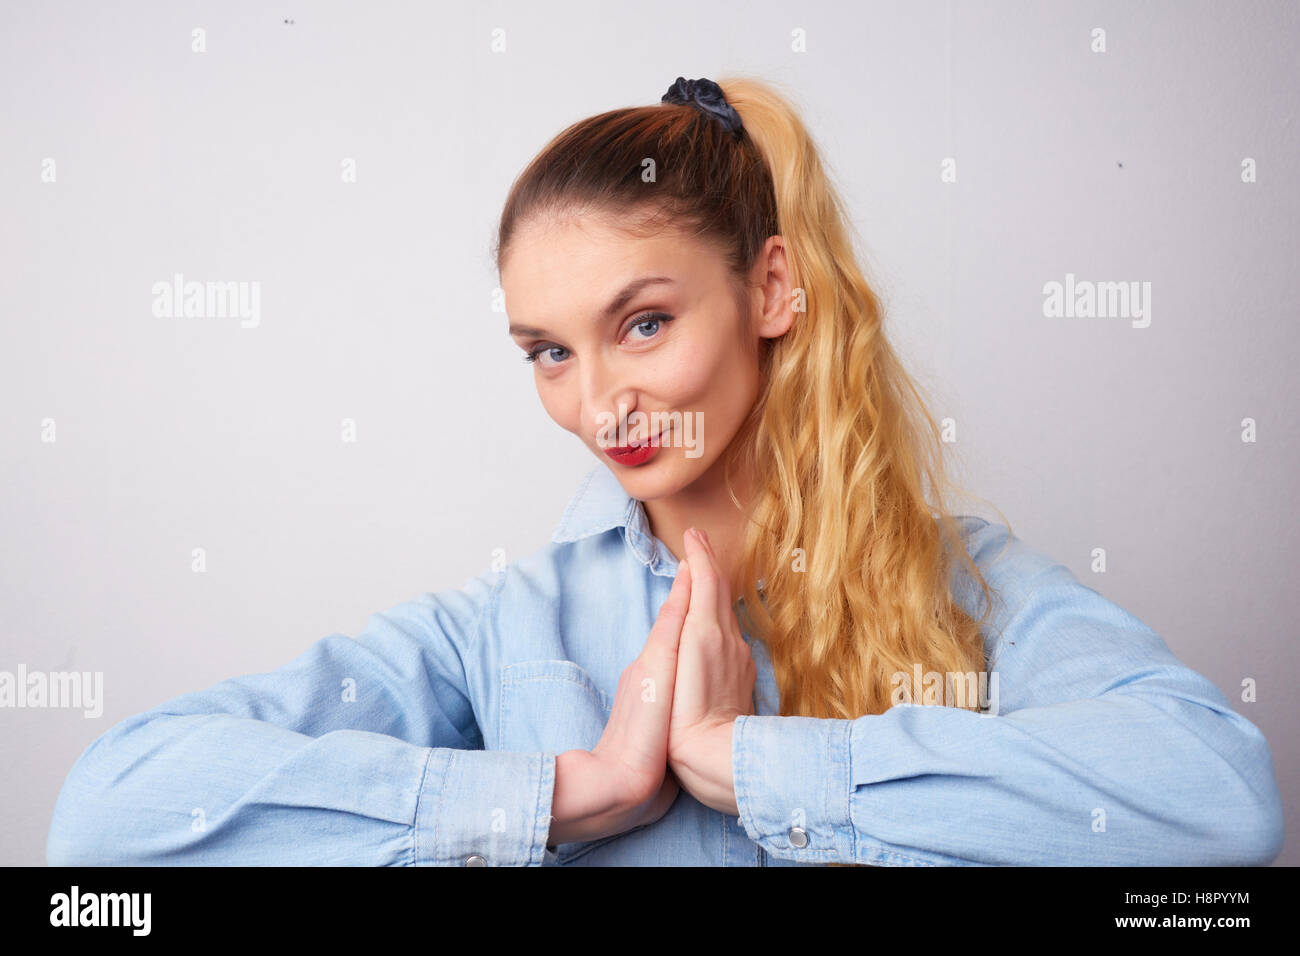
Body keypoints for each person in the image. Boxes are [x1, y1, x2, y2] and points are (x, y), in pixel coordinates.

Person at [46, 76, 1284, 867]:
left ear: (770, 290)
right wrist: (567, 796)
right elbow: (112, 815)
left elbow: (1218, 799)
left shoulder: (972, 588)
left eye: (641, 324)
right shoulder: (498, 630)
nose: (596, 404)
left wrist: (751, 765)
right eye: (547, 351)